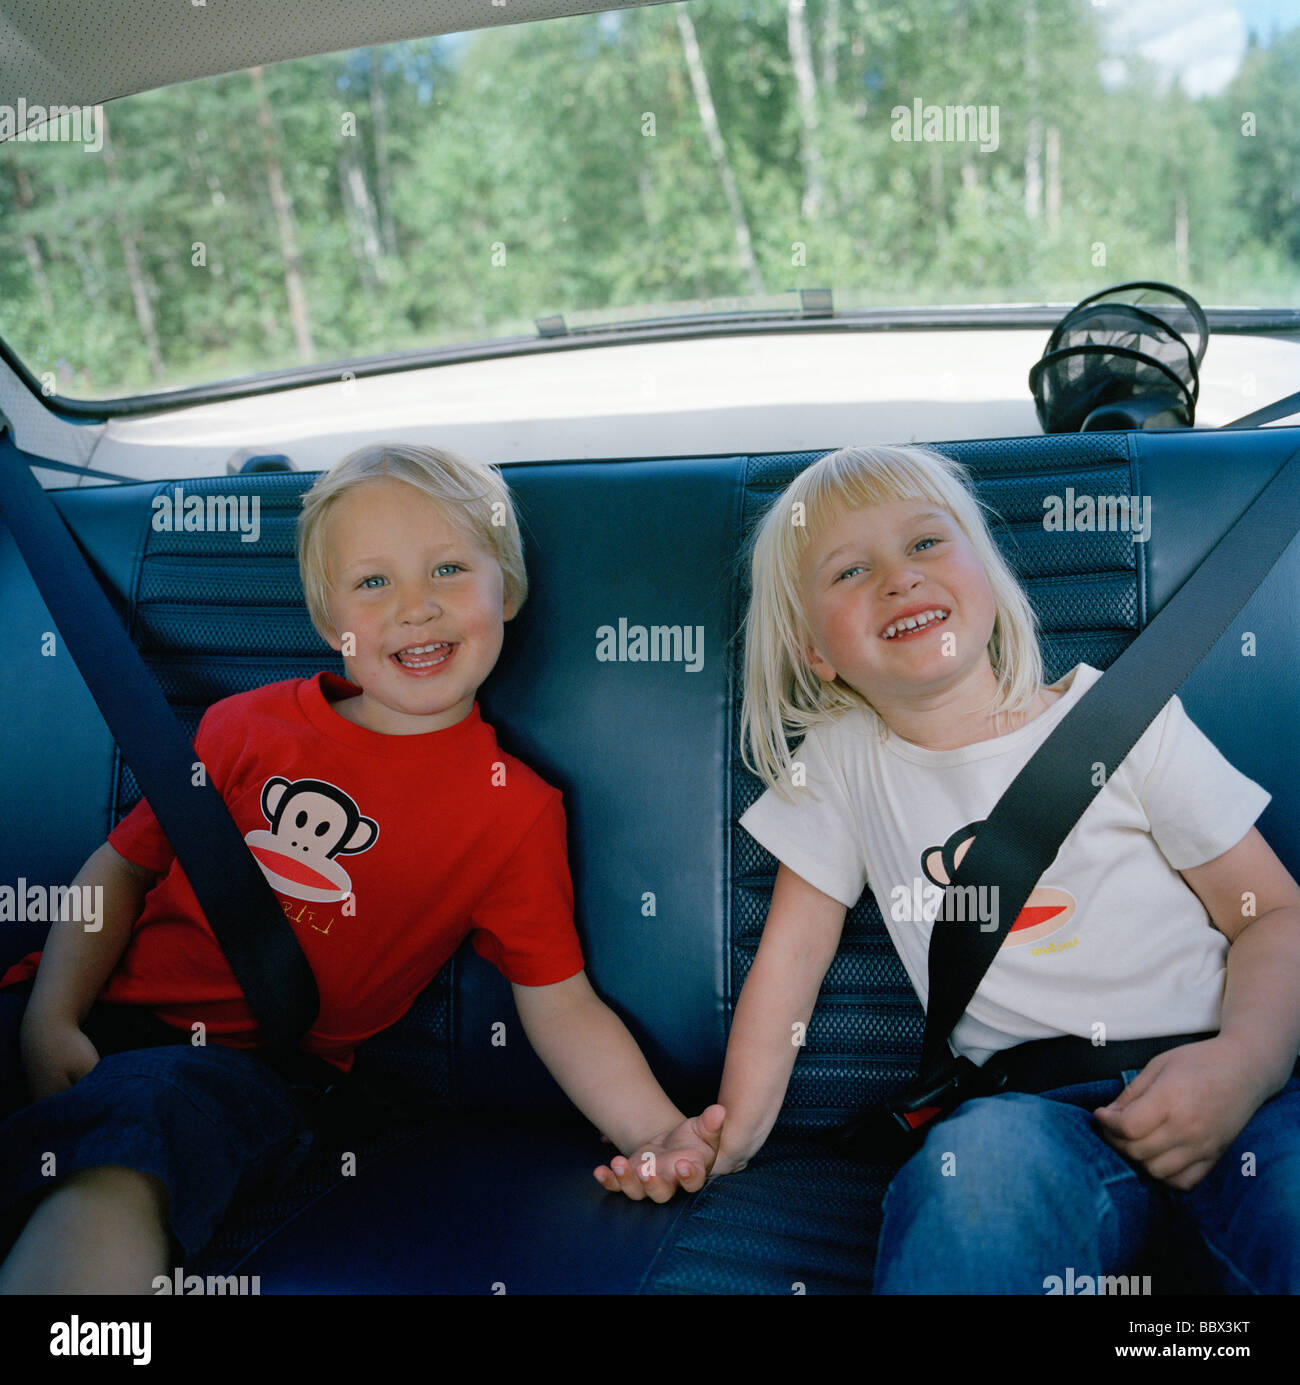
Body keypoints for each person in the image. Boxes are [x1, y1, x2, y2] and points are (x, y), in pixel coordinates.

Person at [0, 442, 723, 1293]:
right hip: (68, 1005)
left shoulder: (509, 806)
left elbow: (559, 1001)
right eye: (373, 583)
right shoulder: (244, 729)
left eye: (449, 568)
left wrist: (656, 1131)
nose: (415, 608)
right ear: (326, 616)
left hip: (239, 1075)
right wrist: (51, 1014)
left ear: (508, 590)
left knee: (137, 1133)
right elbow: (116, 873)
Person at [605, 442, 1300, 1294]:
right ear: (815, 652)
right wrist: (730, 1138)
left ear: (989, 574)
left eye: (927, 544)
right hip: (1033, 1114)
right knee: (972, 1185)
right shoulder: (843, 763)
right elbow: (789, 963)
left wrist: (1245, 1063)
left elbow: (1270, 914)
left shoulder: (1124, 719)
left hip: (1231, 1075)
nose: (898, 579)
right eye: (850, 571)